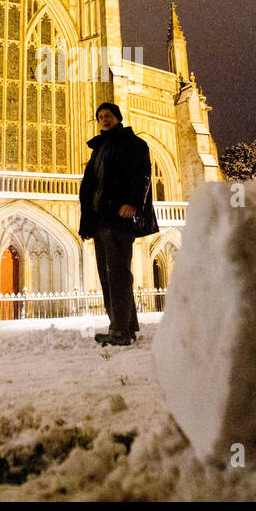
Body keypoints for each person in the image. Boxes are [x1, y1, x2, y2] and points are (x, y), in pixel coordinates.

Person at [78, 102, 159, 346]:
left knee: (119, 275)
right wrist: (87, 222)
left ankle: (120, 331)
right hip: (100, 218)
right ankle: (124, 325)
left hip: (119, 217)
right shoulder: (99, 148)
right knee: (107, 274)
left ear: (118, 118)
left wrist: (133, 203)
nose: (104, 119)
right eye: (100, 116)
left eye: (108, 115)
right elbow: (92, 186)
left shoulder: (133, 144)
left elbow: (143, 174)